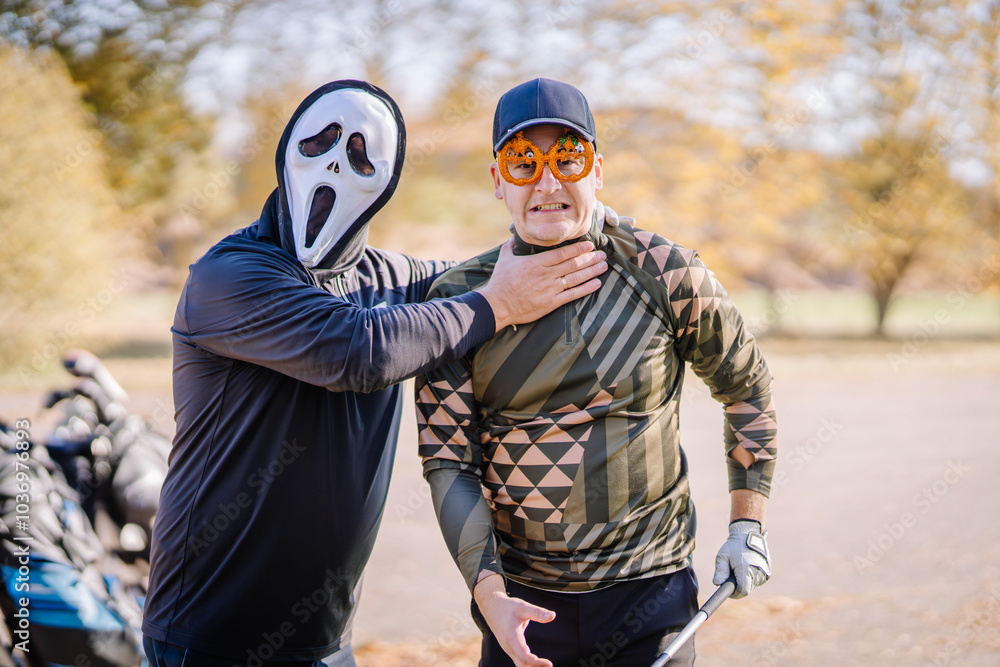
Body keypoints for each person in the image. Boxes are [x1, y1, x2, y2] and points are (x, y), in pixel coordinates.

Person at [140, 80, 614, 667]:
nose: (339, 164)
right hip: (208, 639)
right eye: (323, 142)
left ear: (383, 183)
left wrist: (574, 215)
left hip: (328, 640)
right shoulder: (229, 277)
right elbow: (357, 354)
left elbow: (498, 270)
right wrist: (498, 306)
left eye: (362, 154)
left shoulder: (390, 277)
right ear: (289, 150)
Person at [415, 78, 777, 667]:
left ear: (598, 170)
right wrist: (490, 597)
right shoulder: (459, 300)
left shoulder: (668, 272)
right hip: (522, 609)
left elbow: (746, 387)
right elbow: (450, 461)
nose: (548, 183)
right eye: (523, 162)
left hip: (651, 598)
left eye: (568, 158)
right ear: (498, 180)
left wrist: (748, 525)